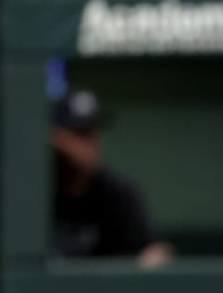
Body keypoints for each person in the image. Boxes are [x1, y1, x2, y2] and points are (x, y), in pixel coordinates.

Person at [52, 88, 173, 267]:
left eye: (92, 132)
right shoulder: (40, 192)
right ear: (56, 139)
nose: (89, 144)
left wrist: (143, 269)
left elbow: (157, 252)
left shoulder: (116, 191)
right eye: (79, 134)